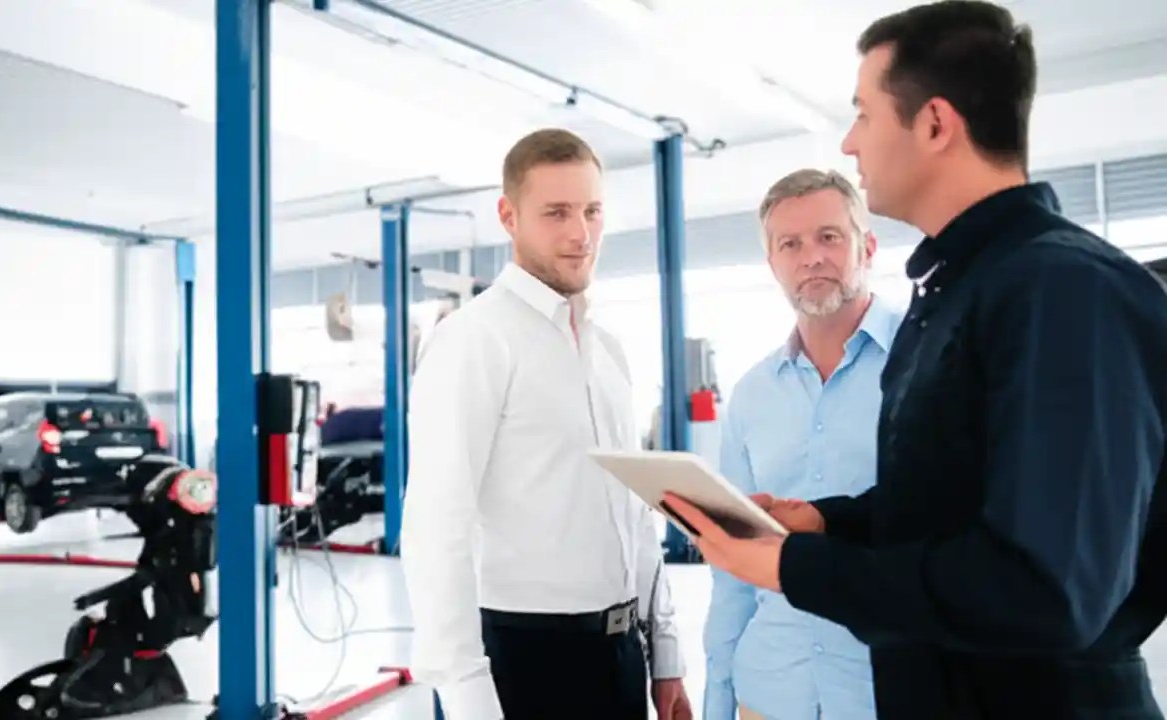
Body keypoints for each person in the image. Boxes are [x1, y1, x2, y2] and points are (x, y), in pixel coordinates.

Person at [665, 2, 1167, 718]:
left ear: (934, 124)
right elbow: (957, 508)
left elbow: (1045, 589)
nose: (848, 142)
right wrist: (829, 524)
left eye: (864, 115)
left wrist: (794, 566)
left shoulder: (1064, 290)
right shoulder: (964, 289)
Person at [400, 128, 692, 720]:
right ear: (509, 216)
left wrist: (664, 654)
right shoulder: (475, 339)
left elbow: (634, 516)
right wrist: (468, 697)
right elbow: (436, 525)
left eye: (591, 211)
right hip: (524, 661)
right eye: (556, 212)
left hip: (619, 653)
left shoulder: (608, 351)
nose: (580, 233)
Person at [702, 169, 901, 720]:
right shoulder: (752, 396)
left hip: (885, 694)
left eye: (829, 237)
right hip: (770, 695)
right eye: (790, 244)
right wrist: (718, 702)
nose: (811, 257)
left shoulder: (926, 362)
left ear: (868, 246)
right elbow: (732, 573)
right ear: (773, 264)